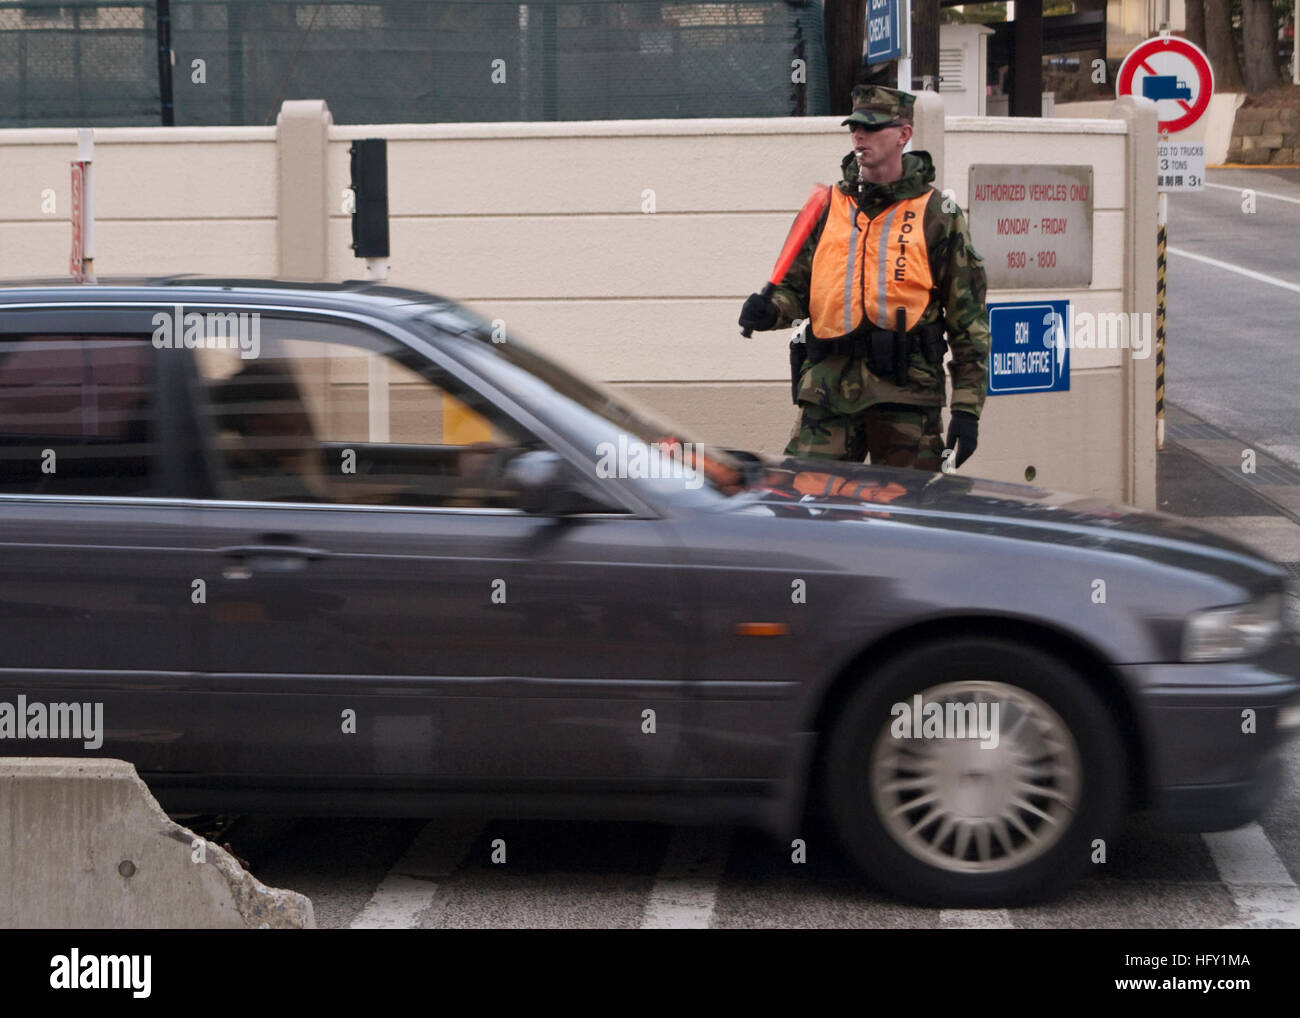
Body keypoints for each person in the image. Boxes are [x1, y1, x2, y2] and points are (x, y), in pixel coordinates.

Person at [738, 85, 990, 471]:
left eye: (872, 128)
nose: (860, 136)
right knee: (806, 508)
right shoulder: (826, 207)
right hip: (827, 392)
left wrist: (967, 409)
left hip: (906, 397)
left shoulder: (938, 213)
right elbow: (795, 291)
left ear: (903, 134)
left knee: (909, 518)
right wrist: (768, 311)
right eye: (855, 127)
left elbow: (968, 321)